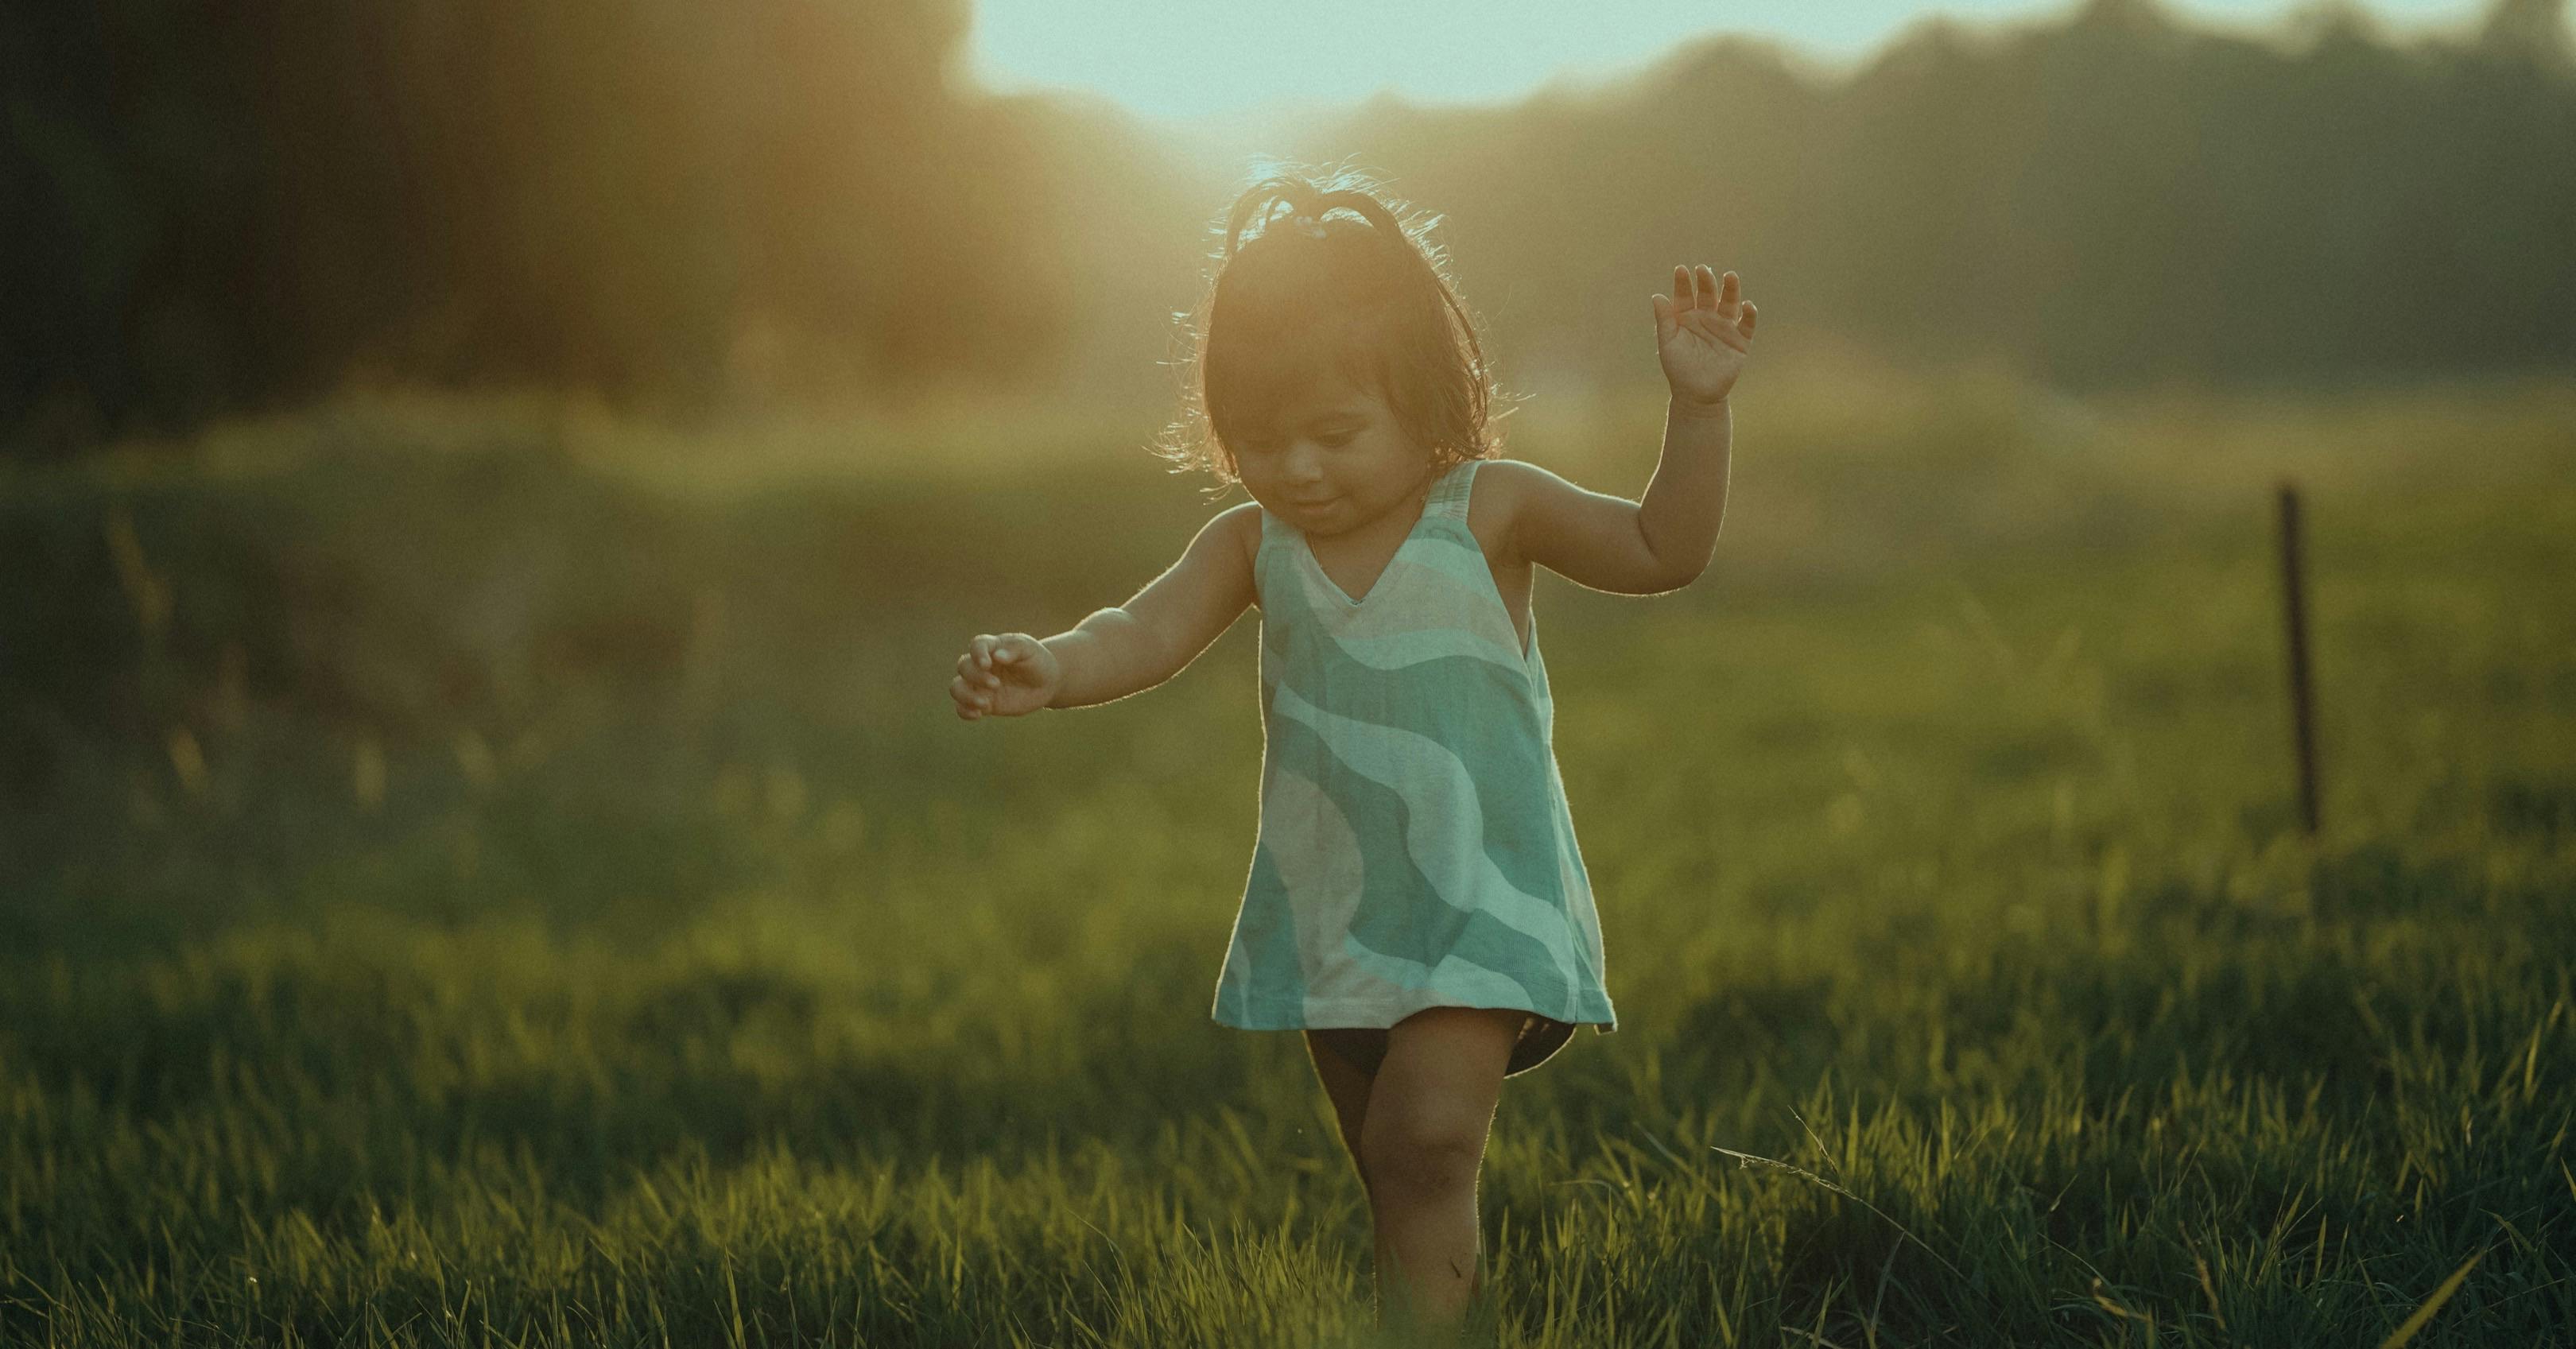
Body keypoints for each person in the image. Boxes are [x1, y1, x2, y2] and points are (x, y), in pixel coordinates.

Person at [945, 167, 1755, 1335]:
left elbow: (1658, 545)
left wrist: (1701, 410)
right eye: (1263, 440)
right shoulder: (1251, 545)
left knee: (1426, 1147)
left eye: (1334, 433)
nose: (1299, 468)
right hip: (1333, 911)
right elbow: (1144, 630)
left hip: (1483, 899)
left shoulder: (1489, 510)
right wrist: (1053, 664)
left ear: (1426, 402)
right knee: (1391, 1172)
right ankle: (1424, 1322)